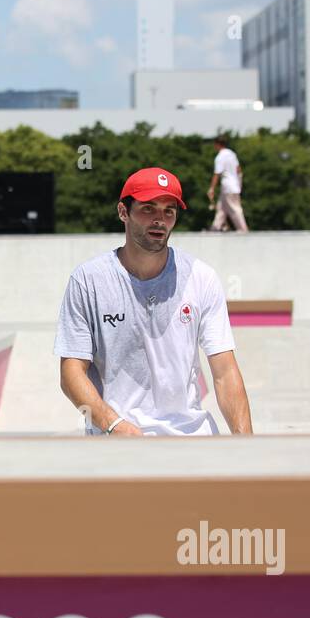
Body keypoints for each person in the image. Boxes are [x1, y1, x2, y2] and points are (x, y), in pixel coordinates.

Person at [54, 167, 253, 437]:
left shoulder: (200, 276)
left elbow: (225, 372)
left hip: (190, 438)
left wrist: (247, 445)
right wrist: (113, 425)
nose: (160, 219)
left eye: (169, 211)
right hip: (117, 441)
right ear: (123, 212)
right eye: (148, 209)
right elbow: (71, 373)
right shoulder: (89, 280)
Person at [208, 136, 248, 232]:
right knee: (221, 210)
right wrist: (239, 185)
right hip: (234, 186)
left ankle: (243, 230)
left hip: (227, 187)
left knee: (235, 209)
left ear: (217, 144)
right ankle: (215, 228)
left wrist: (211, 188)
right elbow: (238, 170)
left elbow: (217, 173)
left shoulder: (220, 157)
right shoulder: (232, 154)